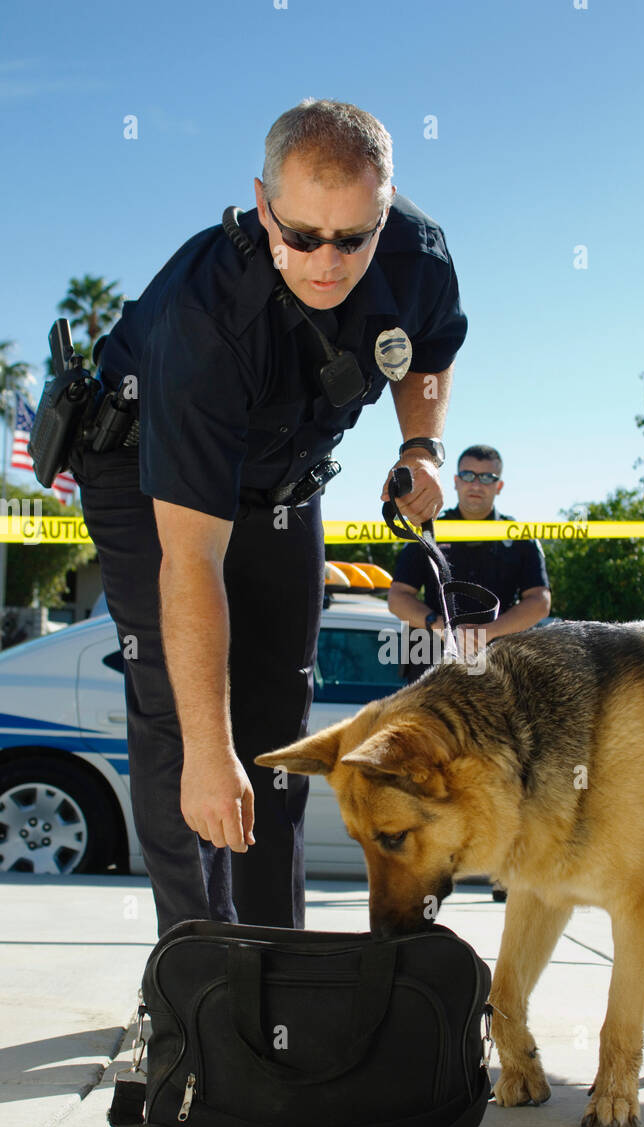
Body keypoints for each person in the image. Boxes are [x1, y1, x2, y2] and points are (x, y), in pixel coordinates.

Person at [70, 99, 467, 935]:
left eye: (352, 239)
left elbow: (428, 351)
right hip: (149, 467)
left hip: (284, 472)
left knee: (277, 728)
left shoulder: (419, 257)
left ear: (384, 212)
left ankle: (274, 960)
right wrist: (212, 758)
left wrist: (422, 445)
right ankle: (198, 979)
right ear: (261, 204)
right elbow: (192, 565)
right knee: (189, 731)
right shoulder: (205, 315)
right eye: (302, 235)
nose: (326, 262)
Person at [387, 444, 551, 678]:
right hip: (434, 666)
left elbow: (540, 602)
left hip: (501, 671)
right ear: (455, 481)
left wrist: (489, 632)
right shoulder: (428, 532)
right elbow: (398, 597)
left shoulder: (518, 536)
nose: (476, 484)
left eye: (487, 477)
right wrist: (441, 627)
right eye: (467, 475)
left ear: (499, 486)